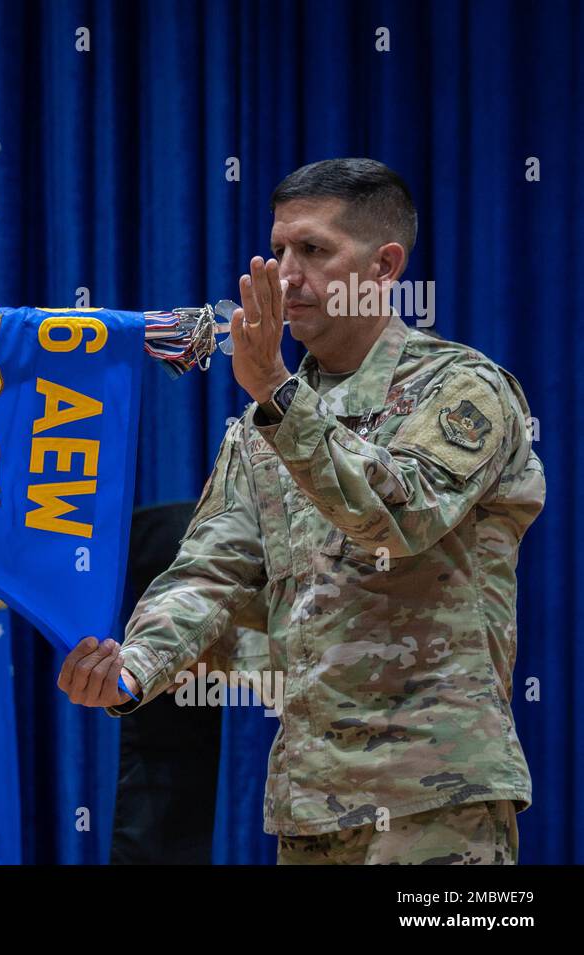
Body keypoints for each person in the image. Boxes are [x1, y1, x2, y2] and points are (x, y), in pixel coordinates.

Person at [58, 158, 544, 865]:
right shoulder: (262, 421)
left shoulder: (463, 387)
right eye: (279, 249)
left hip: (437, 801)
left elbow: (395, 517)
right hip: (309, 806)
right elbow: (208, 572)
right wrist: (132, 669)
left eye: (313, 250)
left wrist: (279, 396)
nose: (286, 275)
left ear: (383, 265)